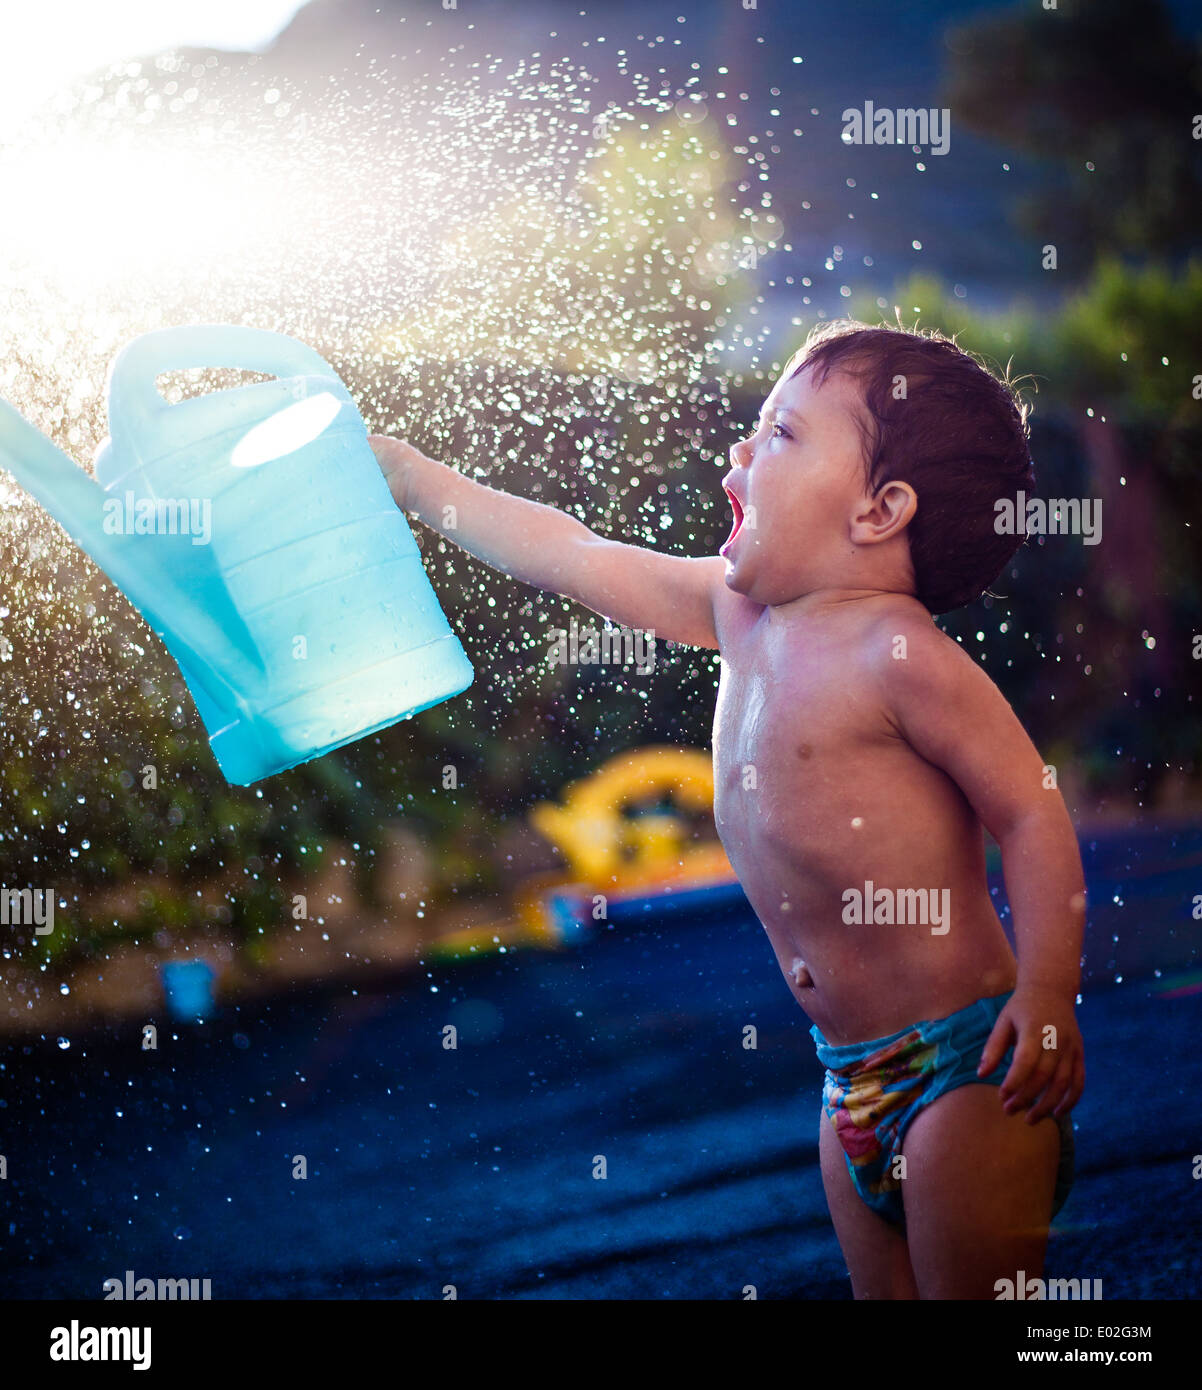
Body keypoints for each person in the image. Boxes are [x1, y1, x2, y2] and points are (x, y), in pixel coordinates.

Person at [367, 319, 1085, 1299]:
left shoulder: (899, 657)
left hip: (964, 1071)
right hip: (847, 1081)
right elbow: (571, 554)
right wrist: (413, 480)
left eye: (781, 434)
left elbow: (1031, 814)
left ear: (878, 510)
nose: (740, 452)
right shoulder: (733, 613)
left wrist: (1044, 994)